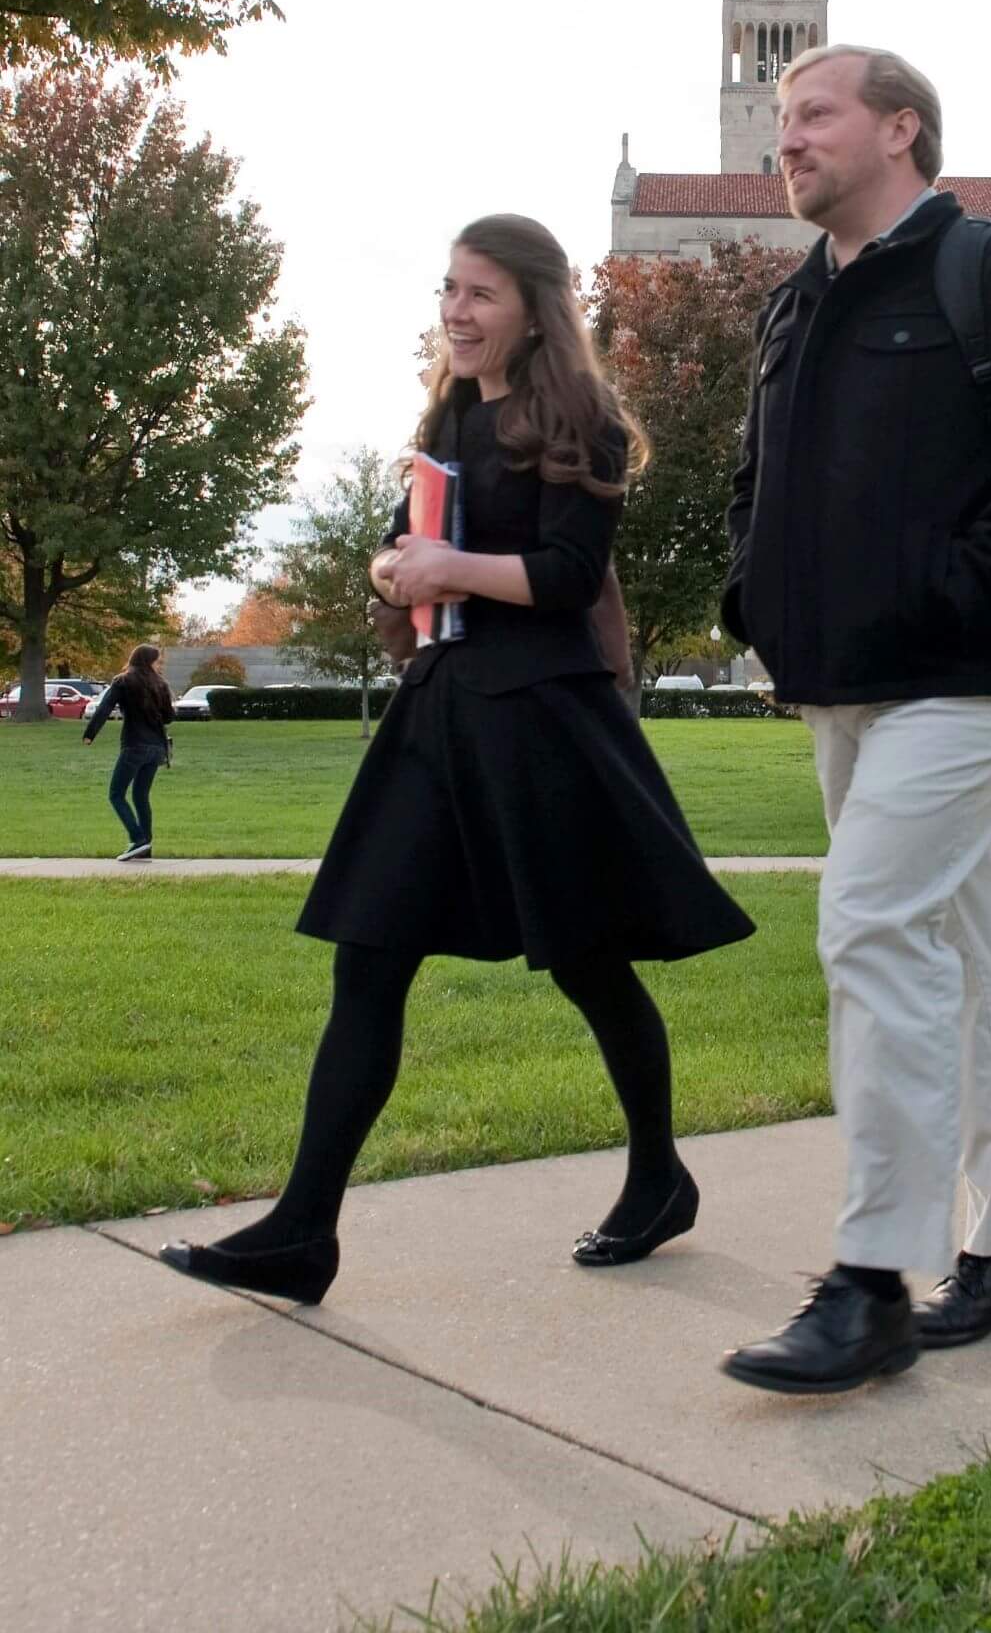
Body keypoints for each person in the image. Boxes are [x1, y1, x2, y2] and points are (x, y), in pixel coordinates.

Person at [160, 214, 755, 1307]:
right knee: (368, 956)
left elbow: (570, 576)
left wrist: (449, 565)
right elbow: (399, 550)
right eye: (448, 289)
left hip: (543, 723)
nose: (456, 311)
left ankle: (658, 1175)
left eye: (479, 292)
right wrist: (398, 572)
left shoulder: (581, 421)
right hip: (439, 715)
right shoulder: (444, 414)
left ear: (533, 304)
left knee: (588, 960)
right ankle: (302, 1229)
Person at [718, 45, 991, 1395]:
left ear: (902, 127)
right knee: (961, 957)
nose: (790, 140)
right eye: (781, 122)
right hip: (839, 679)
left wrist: (955, 593)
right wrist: (755, 596)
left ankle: (872, 1276)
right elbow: (757, 480)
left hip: (968, 674)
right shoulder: (796, 303)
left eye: (814, 114)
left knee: (871, 921)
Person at [82, 645, 175, 861]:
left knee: (116, 794)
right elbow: (169, 717)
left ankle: (138, 839)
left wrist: (90, 734)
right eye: (157, 661)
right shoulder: (161, 684)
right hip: (157, 748)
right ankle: (146, 846)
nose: (158, 665)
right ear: (150, 661)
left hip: (134, 745)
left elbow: (104, 708)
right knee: (141, 795)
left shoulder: (123, 681)